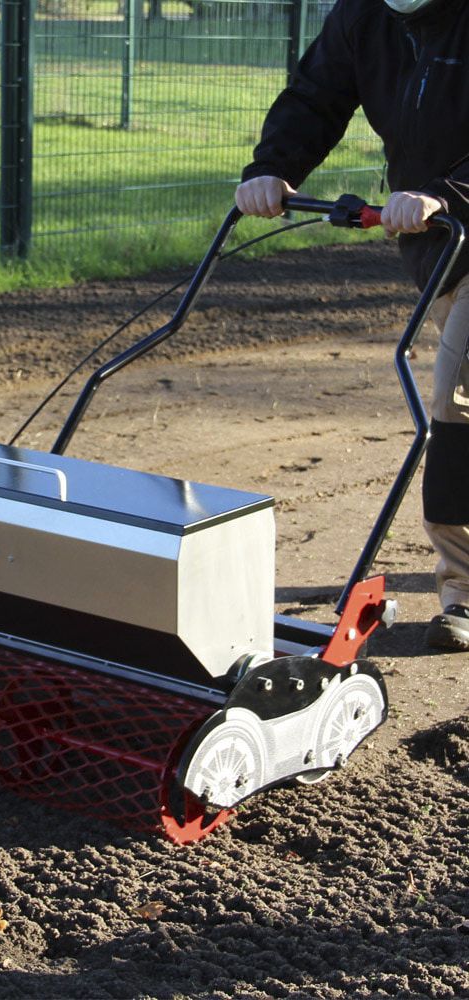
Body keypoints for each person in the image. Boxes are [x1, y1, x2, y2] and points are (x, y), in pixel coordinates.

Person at [235, 0, 469, 650]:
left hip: (451, 217)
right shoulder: (364, 15)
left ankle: (463, 593)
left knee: (454, 407)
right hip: (440, 243)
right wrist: (272, 169)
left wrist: (450, 196)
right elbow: (316, 96)